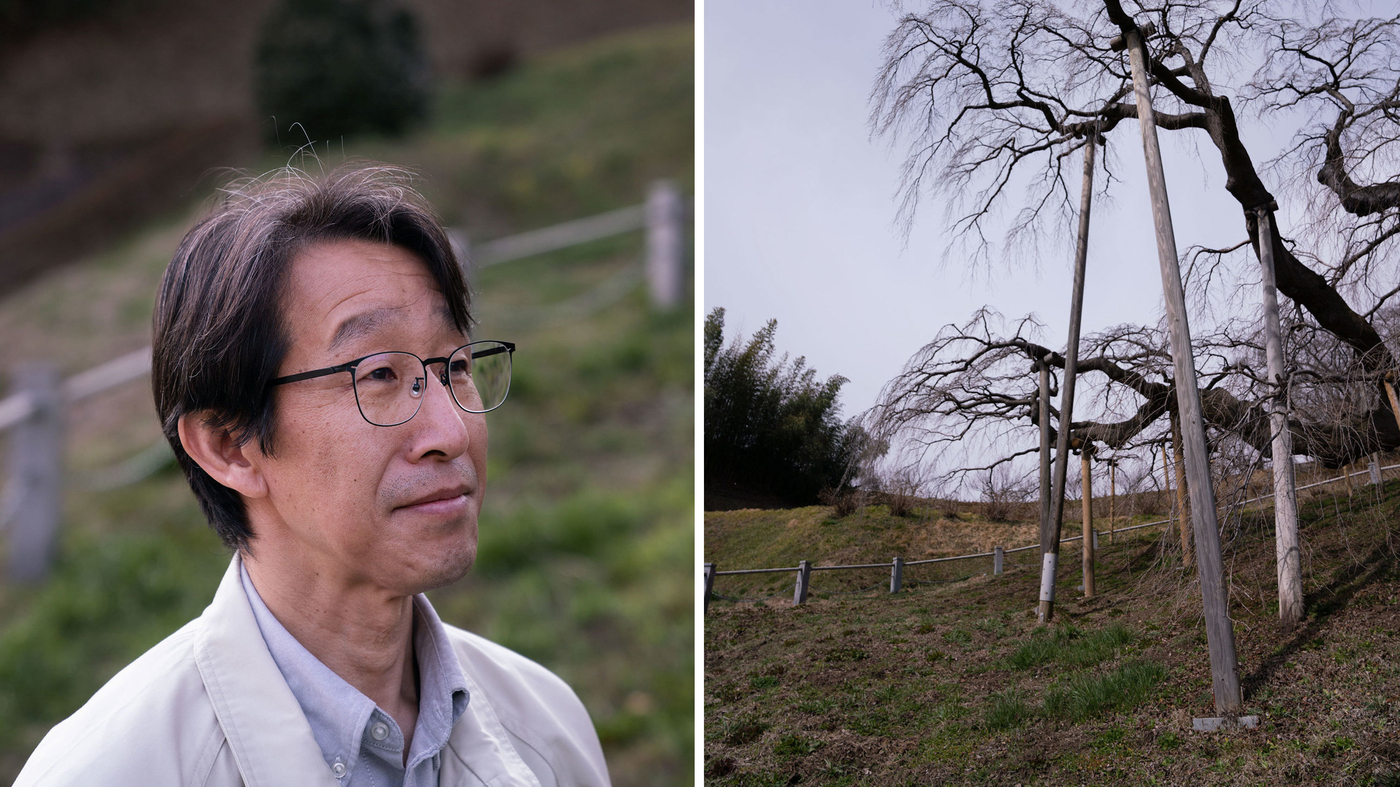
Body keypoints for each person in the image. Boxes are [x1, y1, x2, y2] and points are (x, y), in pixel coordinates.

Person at [14, 164, 612, 787]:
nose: (452, 432)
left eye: (455, 366)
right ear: (229, 446)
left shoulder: (548, 728)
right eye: (379, 374)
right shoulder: (105, 772)